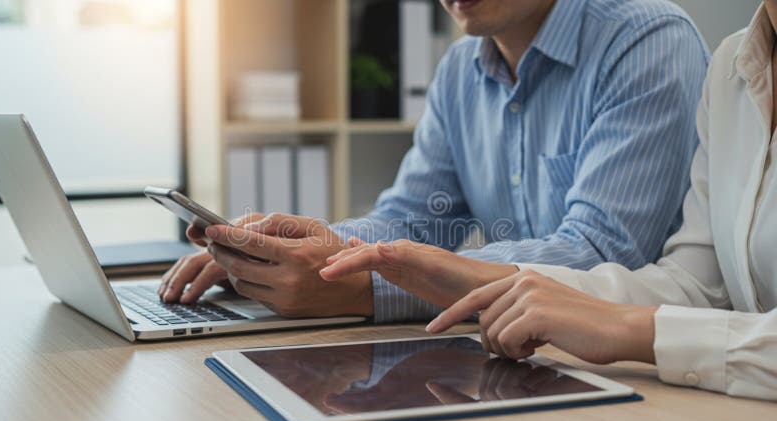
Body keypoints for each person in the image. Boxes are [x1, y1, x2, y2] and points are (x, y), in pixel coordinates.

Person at [322, 2, 777, 401]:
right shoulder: (732, 65)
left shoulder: (648, 37)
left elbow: (603, 250)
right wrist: (320, 249)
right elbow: (697, 286)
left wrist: (624, 328)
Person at [160, 0, 708, 321]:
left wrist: (362, 285)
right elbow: (411, 217)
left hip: (638, 370)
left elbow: (602, 255)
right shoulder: (459, 69)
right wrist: (304, 252)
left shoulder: (648, 42)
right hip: (522, 353)